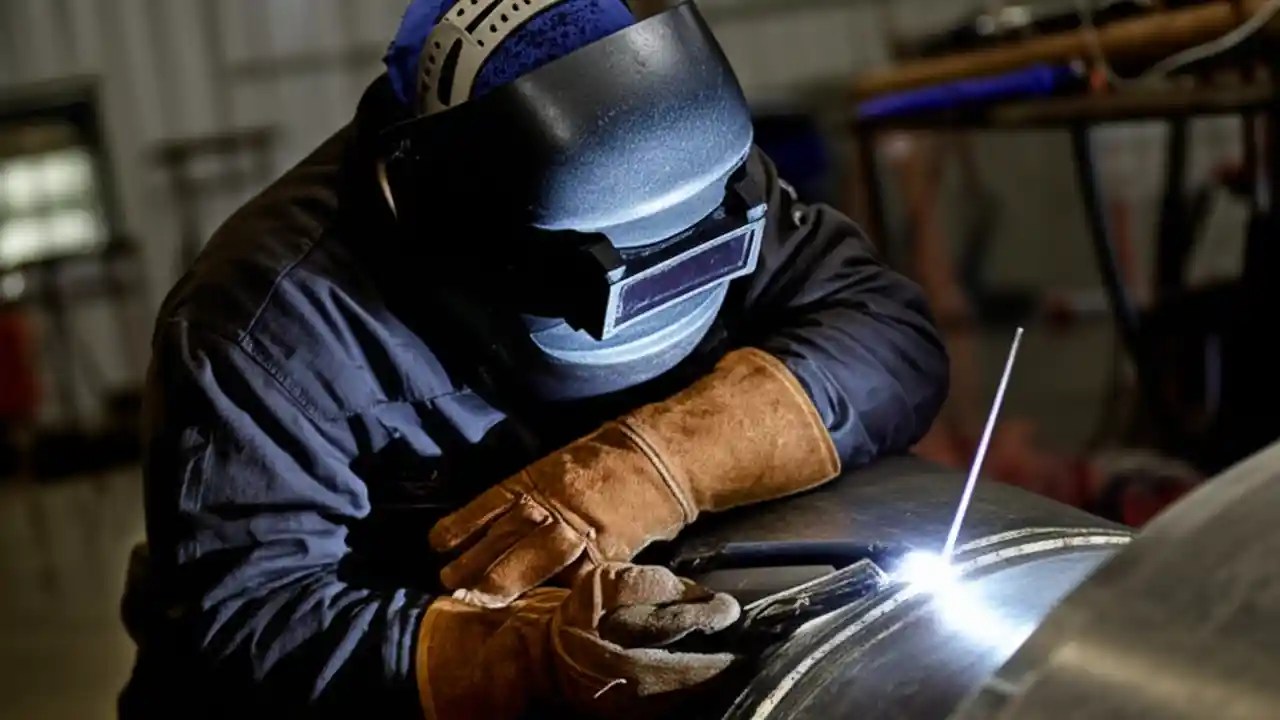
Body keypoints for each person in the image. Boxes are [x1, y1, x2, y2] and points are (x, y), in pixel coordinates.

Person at [118, 1, 949, 718]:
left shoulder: (697, 174)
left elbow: (888, 332)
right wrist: (522, 662)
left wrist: (666, 462)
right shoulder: (265, 323)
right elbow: (243, 626)